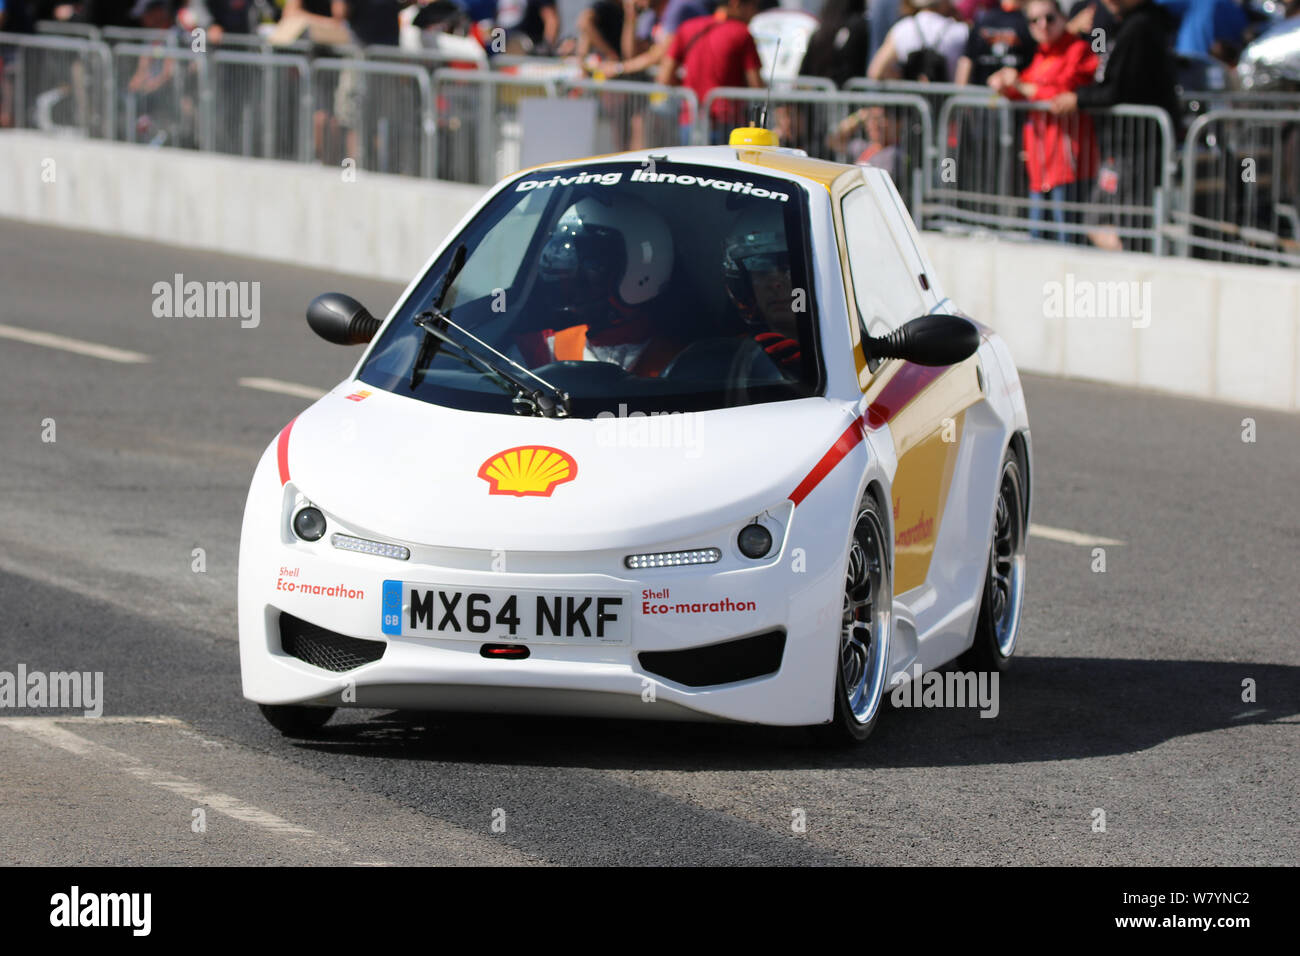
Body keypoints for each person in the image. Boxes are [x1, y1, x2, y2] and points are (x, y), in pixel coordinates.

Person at [1048, 0, 1178, 250]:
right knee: (1101, 220)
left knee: (1127, 226)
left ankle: (1139, 273)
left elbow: (1119, 88)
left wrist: (1079, 98)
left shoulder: (1141, 26)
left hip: (1136, 147)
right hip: (1121, 147)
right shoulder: (1120, 23)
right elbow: (1104, 73)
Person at [524, 197, 688, 376]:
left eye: (592, 264)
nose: (571, 280)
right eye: (570, 259)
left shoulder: (678, 367)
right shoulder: (551, 346)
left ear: (642, 271)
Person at [989, 0, 1098, 241]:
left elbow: (1063, 96)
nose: (1043, 25)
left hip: (1068, 164)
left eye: (1049, 18)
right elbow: (1026, 88)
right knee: (1037, 240)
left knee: (1067, 240)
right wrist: (1005, 84)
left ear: (1062, 18)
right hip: (1041, 165)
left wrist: (1022, 87)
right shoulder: (1041, 56)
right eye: (1035, 20)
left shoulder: (1077, 50)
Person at [657, 0, 763, 141]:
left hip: (691, 119)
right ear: (736, 3)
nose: (754, 13)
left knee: (690, 163)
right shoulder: (742, 32)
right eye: (753, 6)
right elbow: (757, 86)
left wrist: (691, 87)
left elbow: (664, 77)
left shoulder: (687, 28)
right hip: (728, 122)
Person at [722, 207, 804, 369]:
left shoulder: (851, 345)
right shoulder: (738, 362)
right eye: (761, 268)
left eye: (787, 268)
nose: (775, 284)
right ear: (746, 283)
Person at [867, 0, 969, 81]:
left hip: (909, 103)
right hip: (948, 105)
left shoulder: (902, 29)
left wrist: (901, 80)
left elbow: (875, 71)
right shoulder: (960, 31)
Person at [954, 0, 1034, 85]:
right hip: (980, 92)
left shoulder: (1032, 21)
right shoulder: (984, 19)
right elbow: (967, 59)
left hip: (1015, 93)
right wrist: (960, 93)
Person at [799, 0, 871, 88]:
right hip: (845, 96)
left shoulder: (821, 30)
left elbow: (804, 73)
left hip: (820, 96)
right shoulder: (859, 26)